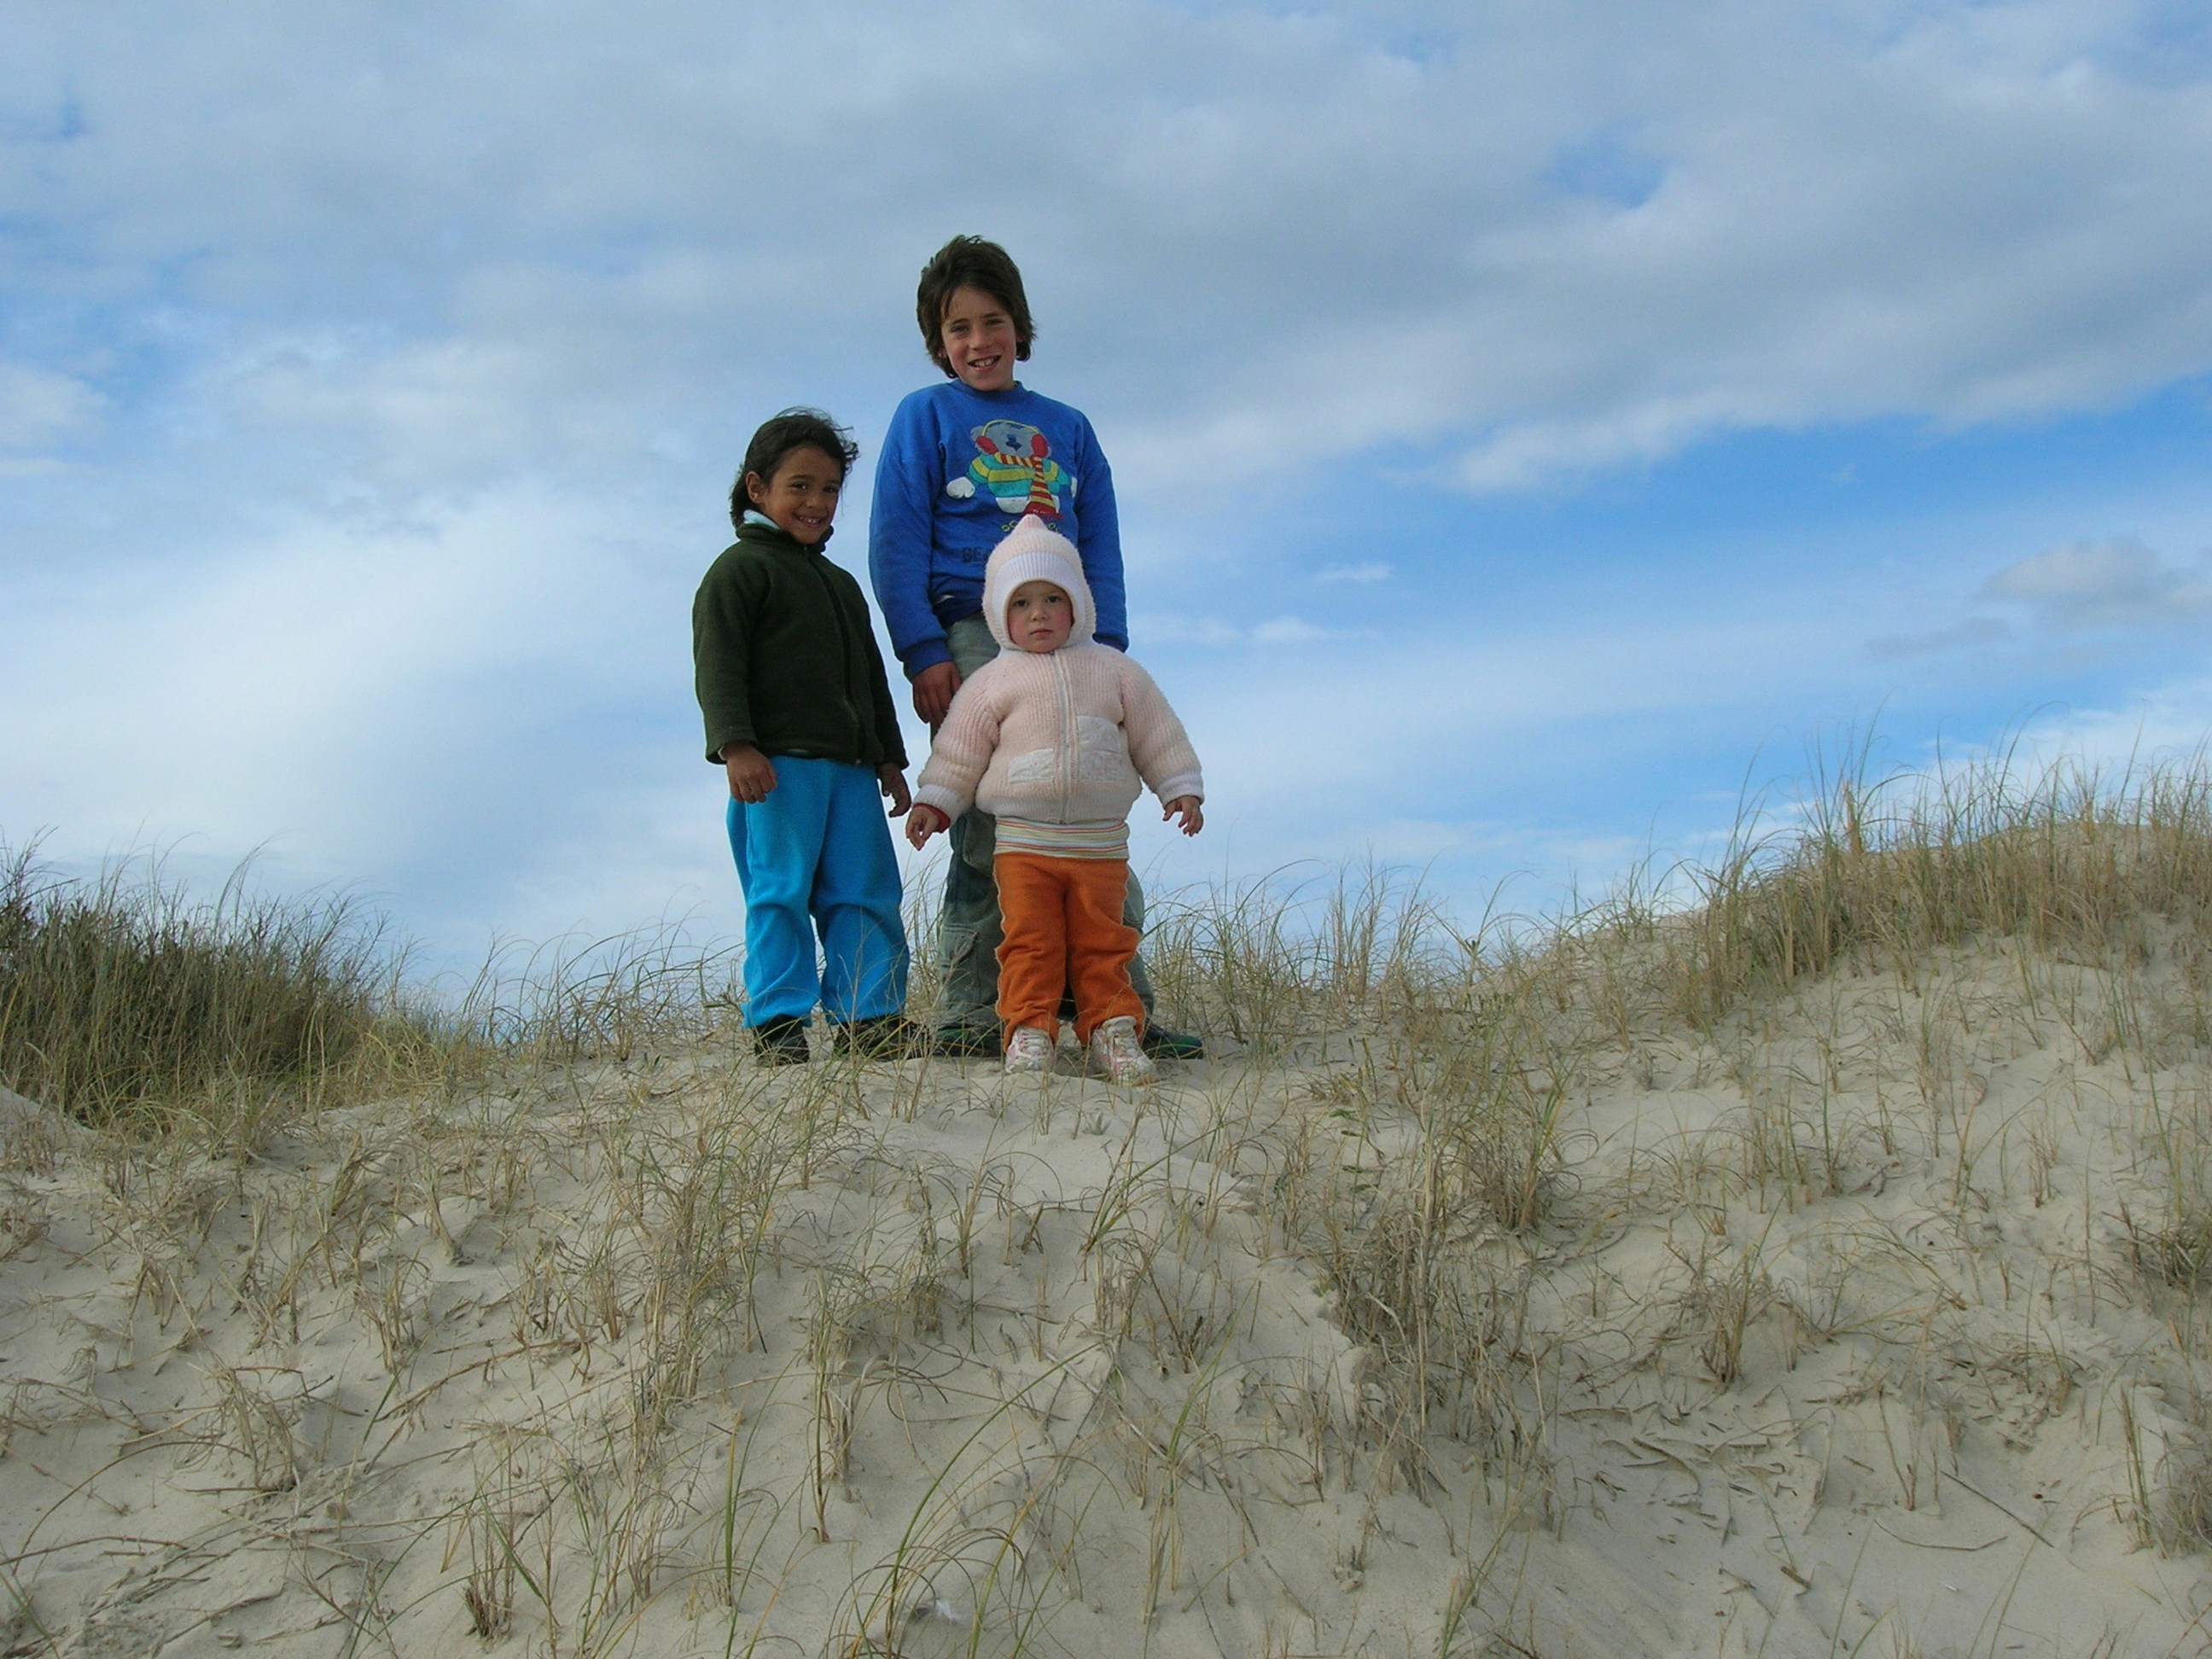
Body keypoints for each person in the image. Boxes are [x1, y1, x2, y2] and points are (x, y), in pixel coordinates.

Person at [869, 235, 1204, 1061]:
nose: (978, 342)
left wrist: (1109, 650)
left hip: (1079, 644)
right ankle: (977, 1010)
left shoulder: (1069, 428)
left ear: (1021, 326)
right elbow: (896, 541)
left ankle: (1116, 1010)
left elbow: (1103, 545)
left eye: (993, 321)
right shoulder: (926, 416)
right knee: (991, 825)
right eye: (958, 329)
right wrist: (923, 650)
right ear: (937, 343)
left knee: (1095, 817)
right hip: (975, 639)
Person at [905, 518, 1202, 1085]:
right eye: (1021, 602)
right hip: (1023, 846)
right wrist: (935, 802)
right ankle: (1028, 1031)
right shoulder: (992, 681)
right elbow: (960, 753)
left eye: (1052, 598)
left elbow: (1156, 734)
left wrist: (1180, 786)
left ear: (1079, 606)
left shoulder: (1116, 672)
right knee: (1030, 943)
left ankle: (1113, 1031)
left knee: (1103, 942)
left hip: (1098, 845)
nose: (1038, 613)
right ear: (998, 613)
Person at [693, 409, 919, 1064]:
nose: (816, 502)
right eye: (800, 486)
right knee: (780, 892)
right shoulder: (738, 572)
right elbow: (718, 665)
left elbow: (870, 677)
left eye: (828, 489)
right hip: (776, 771)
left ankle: (869, 1018)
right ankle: (778, 1022)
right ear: (758, 488)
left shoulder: (841, 584)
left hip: (850, 771)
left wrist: (888, 758)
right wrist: (736, 745)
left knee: (866, 890)